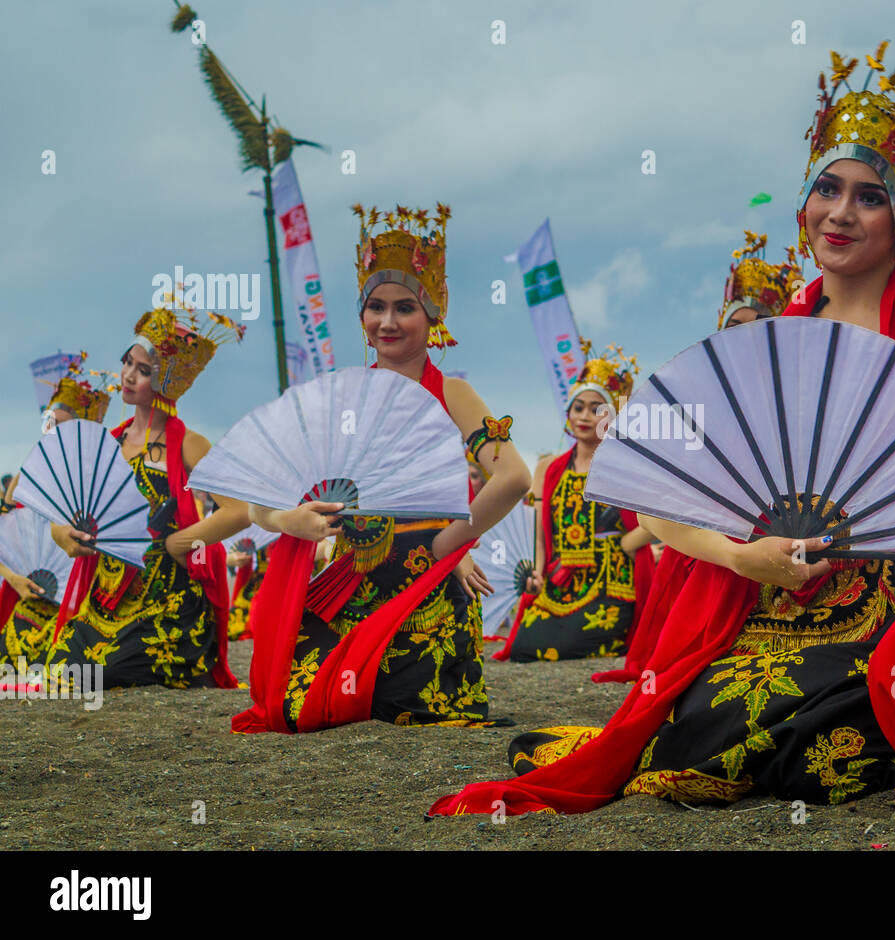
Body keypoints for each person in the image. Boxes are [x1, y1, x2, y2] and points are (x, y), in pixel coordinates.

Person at [431, 47, 895, 818]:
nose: (841, 212)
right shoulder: (772, 340)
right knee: (707, 743)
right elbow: (660, 504)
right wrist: (740, 554)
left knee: (838, 751)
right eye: (827, 188)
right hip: (775, 602)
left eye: (868, 195)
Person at [232, 203, 530, 733]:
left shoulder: (452, 395)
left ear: (432, 315)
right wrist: (288, 521)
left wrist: (447, 543)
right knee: (297, 707)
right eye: (375, 307)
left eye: (404, 307)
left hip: (427, 597)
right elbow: (257, 498)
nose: (388, 321)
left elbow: (514, 478)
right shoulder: (340, 398)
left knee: (395, 706)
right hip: (351, 583)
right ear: (362, 317)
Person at [590, 231, 805, 684]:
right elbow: (653, 511)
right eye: (734, 326)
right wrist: (733, 555)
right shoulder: (696, 406)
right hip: (714, 566)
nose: (746, 336)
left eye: (761, 324)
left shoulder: (810, 402)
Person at [44, 308, 247, 689]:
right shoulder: (107, 443)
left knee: (104, 671)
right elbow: (63, 514)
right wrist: (64, 537)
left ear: (166, 380)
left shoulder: (188, 443)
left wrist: (180, 542)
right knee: (63, 667)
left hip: (166, 600)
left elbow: (240, 510)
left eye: (142, 370)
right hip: (105, 598)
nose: (128, 375)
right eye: (127, 363)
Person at [496, 343, 654, 662]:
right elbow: (543, 531)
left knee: (569, 647)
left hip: (612, 580)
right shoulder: (549, 468)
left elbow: (657, 518)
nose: (584, 416)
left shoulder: (627, 466)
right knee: (525, 647)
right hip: (560, 579)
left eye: (597, 408)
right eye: (578, 407)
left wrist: (627, 544)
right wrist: (538, 573)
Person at [0, 368, 115, 666]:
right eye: (49, 423)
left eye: (62, 425)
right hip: (32, 592)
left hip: (80, 594)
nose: (53, 431)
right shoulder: (38, 473)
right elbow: (10, 517)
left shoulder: (95, 477)